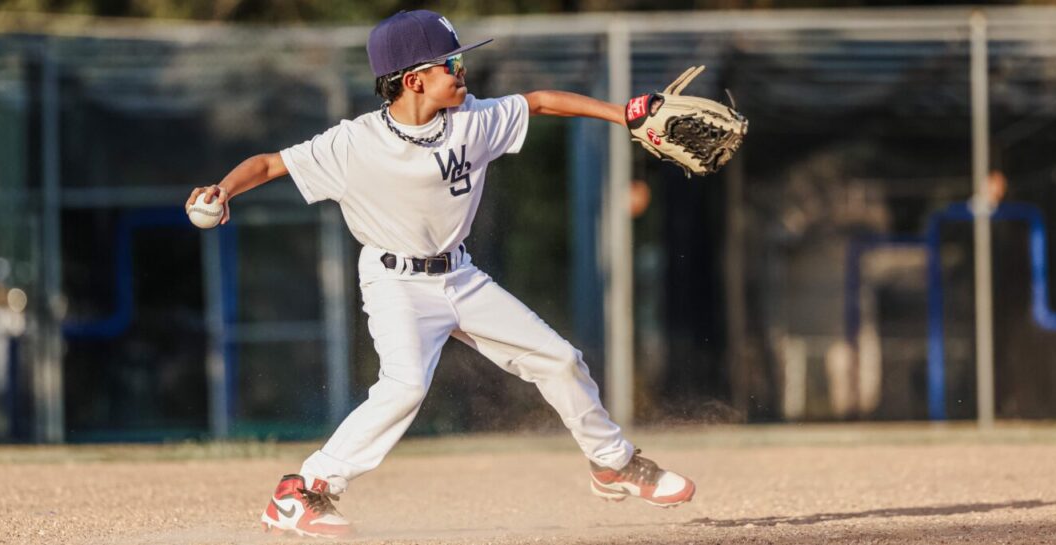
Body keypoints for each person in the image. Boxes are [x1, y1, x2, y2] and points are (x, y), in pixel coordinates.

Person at [184, 10, 695, 538]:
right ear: (413, 80)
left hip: (461, 275)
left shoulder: (473, 119)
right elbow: (269, 164)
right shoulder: (355, 143)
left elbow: (541, 101)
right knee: (405, 385)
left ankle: (613, 464)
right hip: (395, 281)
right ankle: (302, 491)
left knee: (561, 359)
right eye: (450, 62)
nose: (461, 69)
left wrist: (624, 115)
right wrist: (223, 190)